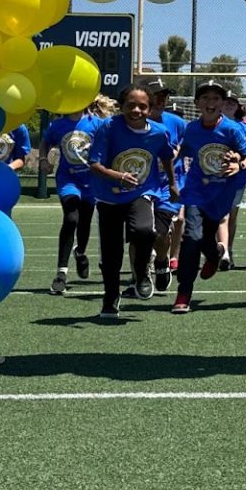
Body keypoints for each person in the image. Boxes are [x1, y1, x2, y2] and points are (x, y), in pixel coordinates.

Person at [86, 84, 180, 320]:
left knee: (145, 231)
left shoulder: (158, 132)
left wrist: (172, 183)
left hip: (142, 192)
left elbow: (167, 156)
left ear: (151, 109)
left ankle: (141, 273)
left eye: (142, 106)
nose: (136, 110)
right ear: (121, 106)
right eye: (131, 105)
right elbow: (94, 164)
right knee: (111, 253)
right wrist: (118, 176)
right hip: (109, 197)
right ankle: (110, 298)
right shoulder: (108, 127)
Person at [169, 80, 246, 314]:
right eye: (205, 98)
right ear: (197, 103)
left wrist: (240, 165)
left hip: (222, 193)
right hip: (196, 190)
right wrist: (167, 161)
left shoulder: (232, 130)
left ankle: (214, 254)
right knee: (191, 236)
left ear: (223, 103)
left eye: (216, 99)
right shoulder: (191, 129)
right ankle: (184, 292)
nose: (210, 103)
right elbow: (182, 150)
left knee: (206, 237)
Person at [41, 95, 114, 294]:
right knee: (71, 217)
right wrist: (43, 159)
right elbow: (45, 142)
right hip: (68, 179)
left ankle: (80, 252)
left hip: (91, 182)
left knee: (84, 221)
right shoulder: (58, 125)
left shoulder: (97, 123)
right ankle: (61, 273)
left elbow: (110, 142)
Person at [138, 76, 188, 296]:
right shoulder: (135, 121)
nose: (161, 100)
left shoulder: (176, 123)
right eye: (156, 95)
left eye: (164, 96)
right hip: (141, 186)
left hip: (169, 187)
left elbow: (193, 143)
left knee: (160, 233)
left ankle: (161, 260)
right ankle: (140, 276)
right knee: (141, 232)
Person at [218, 90, 246, 270]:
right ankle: (221, 251)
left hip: (237, 178)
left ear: (238, 106)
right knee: (221, 215)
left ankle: (228, 249)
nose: (229, 105)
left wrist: (240, 161)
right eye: (226, 101)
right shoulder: (212, 123)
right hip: (215, 177)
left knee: (231, 215)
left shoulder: (243, 126)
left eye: (233, 102)